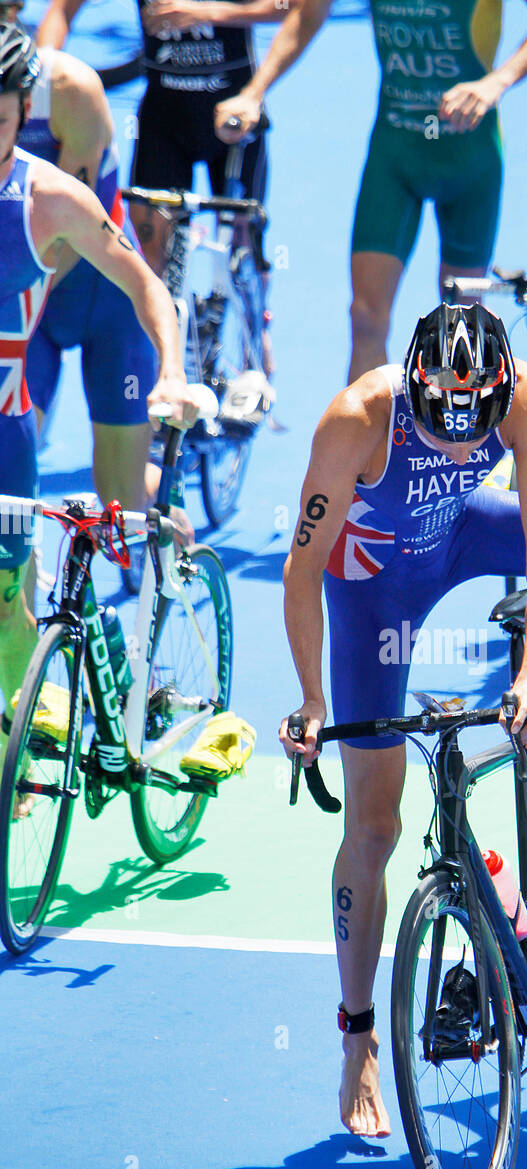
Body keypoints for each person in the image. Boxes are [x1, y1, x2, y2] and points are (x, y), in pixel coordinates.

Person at [279, 302, 527, 1137]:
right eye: (444, 430)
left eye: (479, 430)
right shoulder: (357, 417)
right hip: (374, 591)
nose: (465, 447)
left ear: (501, 392)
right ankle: (358, 1038)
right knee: (375, 827)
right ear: (416, 390)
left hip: (467, 534)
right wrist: (314, 699)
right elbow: (300, 568)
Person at [0, 24, 197, 764]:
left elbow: (145, 282)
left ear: (26, 116)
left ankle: (167, 554)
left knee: (119, 508)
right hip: (37, 329)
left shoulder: (48, 194)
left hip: (100, 308)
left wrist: (172, 373)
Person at [211, 0, 527, 382]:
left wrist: (496, 81)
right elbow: (307, 13)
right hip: (394, 156)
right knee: (365, 319)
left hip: (469, 159)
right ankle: (372, 440)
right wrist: (254, 92)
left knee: (461, 325)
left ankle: (457, 438)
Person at [1, 1, 166, 530]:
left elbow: (64, 240)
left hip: (101, 292)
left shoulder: (71, 88)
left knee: (121, 503)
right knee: (12, 474)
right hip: (28, 300)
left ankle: (170, 525)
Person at [35, 0, 289, 273]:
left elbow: (290, 6)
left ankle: (257, 307)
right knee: (149, 251)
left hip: (235, 116)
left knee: (245, 248)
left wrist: (207, 14)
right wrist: (42, 81)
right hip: (165, 121)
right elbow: (62, 9)